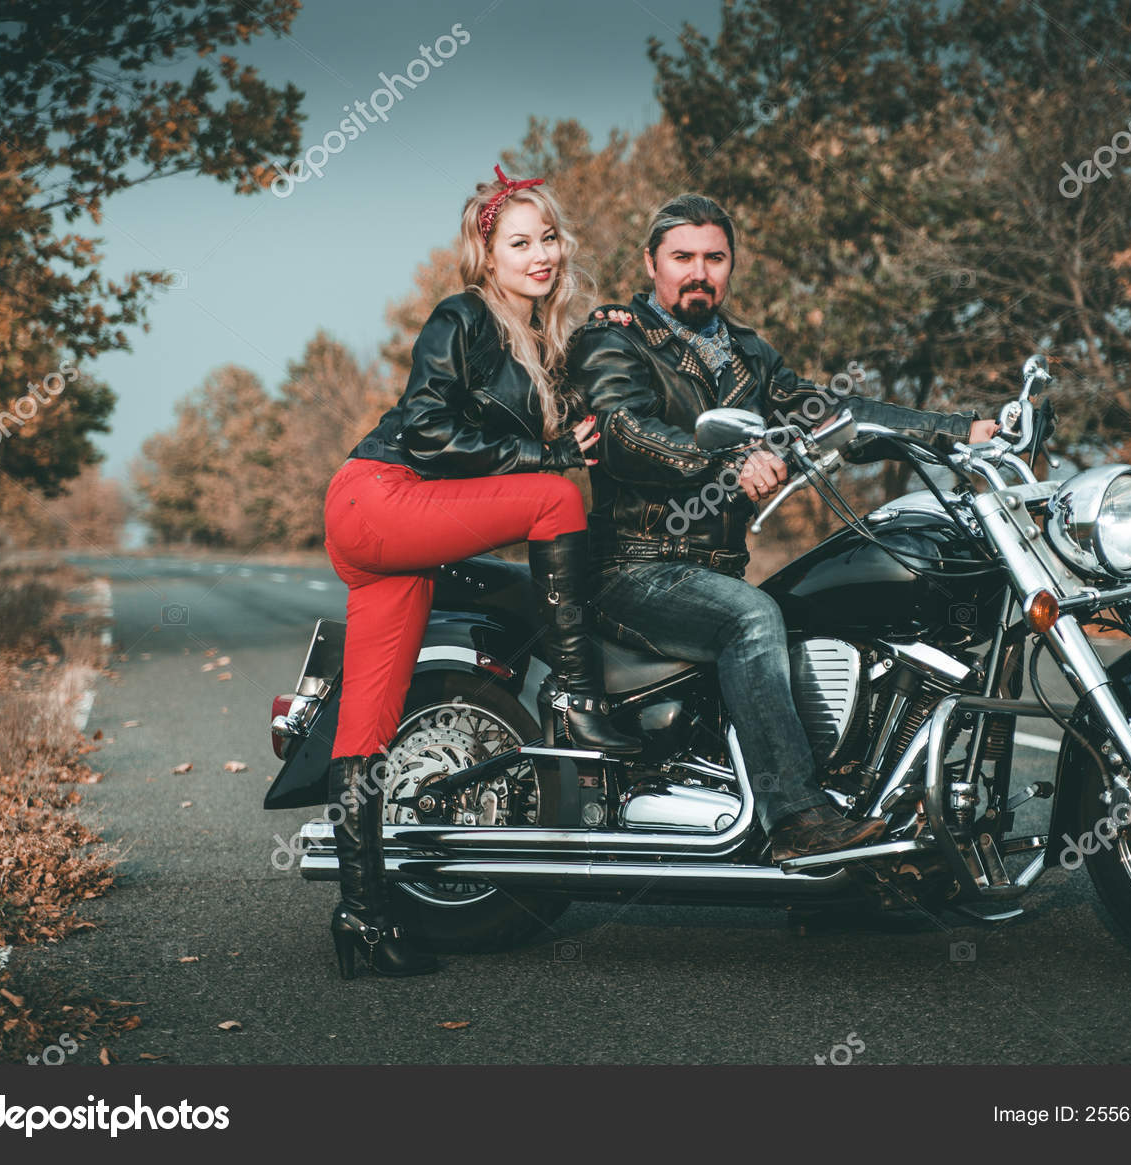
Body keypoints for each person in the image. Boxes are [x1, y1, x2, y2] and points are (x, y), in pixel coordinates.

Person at [569, 193, 1000, 863]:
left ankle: (871, 825)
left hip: (714, 571)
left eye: (714, 258)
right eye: (682, 257)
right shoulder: (614, 338)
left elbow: (832, 414)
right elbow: (625, 432)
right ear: (651, 262)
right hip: (633, 569)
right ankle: (796, 819)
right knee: (752, 618)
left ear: (731, 265)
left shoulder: (746, 355)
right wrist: (727, 460)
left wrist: (955, 432)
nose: (698, 272)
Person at [322, 165, 640, 979]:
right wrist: (548, 455)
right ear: (487, 255)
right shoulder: (460, 317)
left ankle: (361, 916)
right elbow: (428, 431)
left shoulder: (543, 342)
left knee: (366, 729)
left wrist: (622, 326)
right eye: (520, 243)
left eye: (549, 239)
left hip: (399, 528)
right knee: (553, 498)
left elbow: (582, 412)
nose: (541, 255)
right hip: (378, 494)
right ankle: (576, 700)